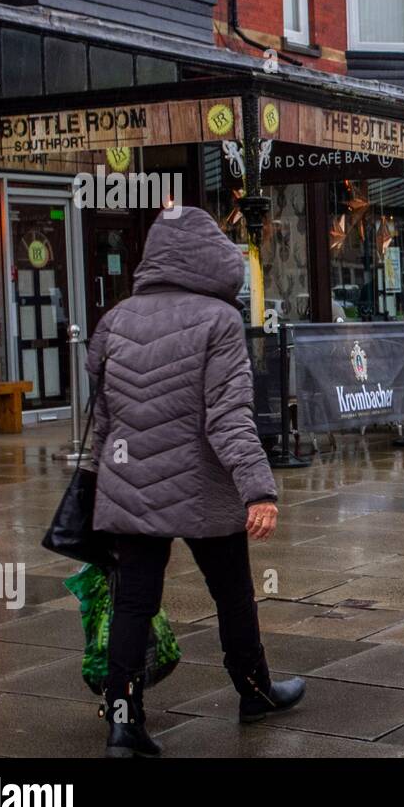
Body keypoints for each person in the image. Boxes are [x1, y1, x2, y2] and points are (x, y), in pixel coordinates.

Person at [86, 206, 304, 758]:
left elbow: (102, 416)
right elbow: (228, 414)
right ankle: (254, 692)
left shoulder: (116, 319)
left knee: (133, 604)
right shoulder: (219, 320)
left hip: (130, 484)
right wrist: (258, 488)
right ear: (214, 260)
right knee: (232, 595)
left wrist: (92, 482)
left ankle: (123, 725)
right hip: (203, 486)